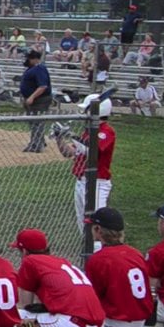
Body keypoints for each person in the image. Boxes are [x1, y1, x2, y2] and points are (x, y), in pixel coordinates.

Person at [6, 228, 104, 327]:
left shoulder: (30, 262)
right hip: (97, 326)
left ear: (24, 251)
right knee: (43, 321)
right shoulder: (62, 262)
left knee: (23, 319)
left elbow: (24, 304)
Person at [82, 207, 154, 327]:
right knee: (116, 305)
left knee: (84, 320)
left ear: (99, 231)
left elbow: (94, 297)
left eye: (93, 227)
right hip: (144, 316)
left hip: (119, 321)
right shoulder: (135, 253)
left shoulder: (99, 259)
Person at [52, 93, 115, 231]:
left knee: (97, 225)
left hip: (96, 182)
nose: (84, 113)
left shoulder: (106, 131)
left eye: (87, 109)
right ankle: (87, 251)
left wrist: (71, 135)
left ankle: (99, 250)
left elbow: (91, 150)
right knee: (83, 225)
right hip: (81, 181)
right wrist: (60, 137)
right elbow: (70, 153)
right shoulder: (88, 131)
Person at [19, 50, 52, 153]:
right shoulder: (32, 68)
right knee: (34, 121)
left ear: (35, 59)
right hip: (34, 100)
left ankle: (36, 145)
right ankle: (40, 141)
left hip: (40, 100)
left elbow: (42, 86)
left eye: (29, 58)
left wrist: (31, 97)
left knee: (36, 122)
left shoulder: (39, 69)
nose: (26, 60)